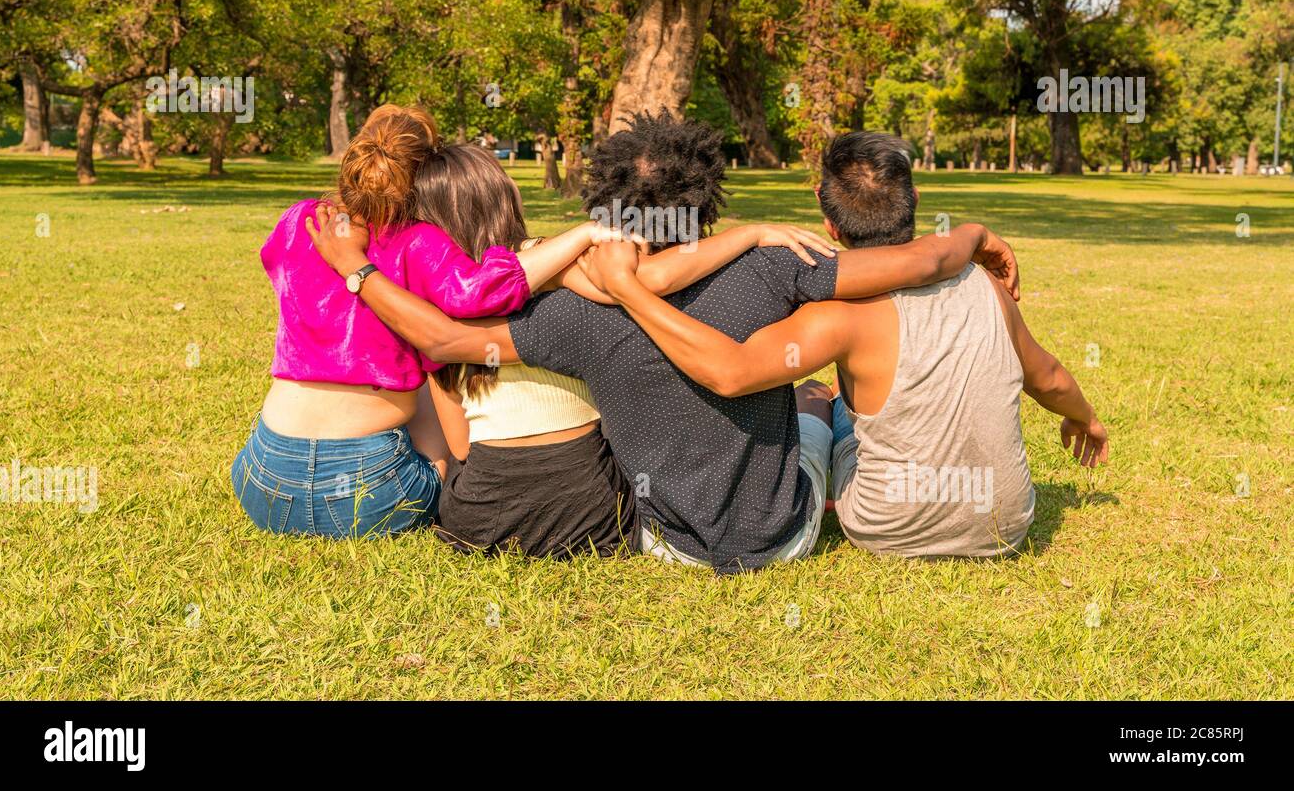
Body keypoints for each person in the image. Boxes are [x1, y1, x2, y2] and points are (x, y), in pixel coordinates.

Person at [305, 113, 1020, 572]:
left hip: (669, 544)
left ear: (603, 200)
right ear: (707, 198)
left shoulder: (571, 312)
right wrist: (972, 239)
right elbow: (915, 263)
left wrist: (363, 273)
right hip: (787, 533)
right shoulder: (775, 264)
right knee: (815, 397)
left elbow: (452, 339)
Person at [581, 131, 1108, 559]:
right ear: (915, 199)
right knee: (839, 402)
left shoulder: (836, 314)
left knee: (817, 400)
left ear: (825, 215)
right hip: (1007, 523)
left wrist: (628, 289)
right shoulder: (986, 285)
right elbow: (1050, 377)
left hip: (886, 527)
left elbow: (731, 373)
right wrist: (1084, 418)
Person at [406, 143, 837, 559]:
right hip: (599, 517)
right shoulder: (556, 267)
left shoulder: (445, 309)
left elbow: (461, 445)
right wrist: (750, 234)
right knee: (815, 402)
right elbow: (643, 280)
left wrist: (360, 272)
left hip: (487, 521)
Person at [234, 106, 621, 539]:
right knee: (427, 365)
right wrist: (583, 235)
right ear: (424, 177)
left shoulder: (299, 220)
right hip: (374, 492)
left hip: (262, 481)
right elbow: (477, 291)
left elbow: (275, 264)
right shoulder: (417, 241)